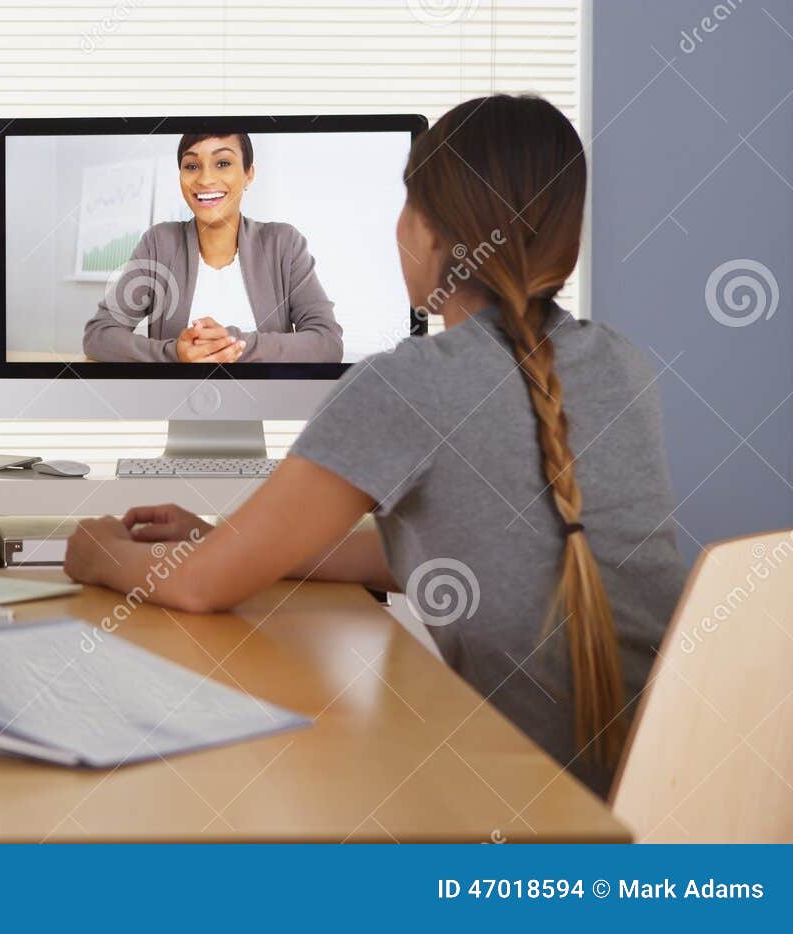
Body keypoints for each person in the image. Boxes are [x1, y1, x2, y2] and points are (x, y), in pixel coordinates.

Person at [62, 96, 688, 796]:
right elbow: (475, 552)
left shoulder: (404, 383)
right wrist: (228, 538)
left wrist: (100, 552)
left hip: (523, 808)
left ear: (426, 232)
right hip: (665, 798)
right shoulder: (622, 363)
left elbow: (202, 590)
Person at [81, 132, 343, 363]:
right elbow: (99, 335)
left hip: (265, 406)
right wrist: (174, 353)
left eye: (223, 163)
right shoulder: (160, 243)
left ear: (248, 173)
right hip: (178, 404)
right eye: (192, 165)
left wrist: (234, 344)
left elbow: (327, 342)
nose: (205, 179)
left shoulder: (283, 243)